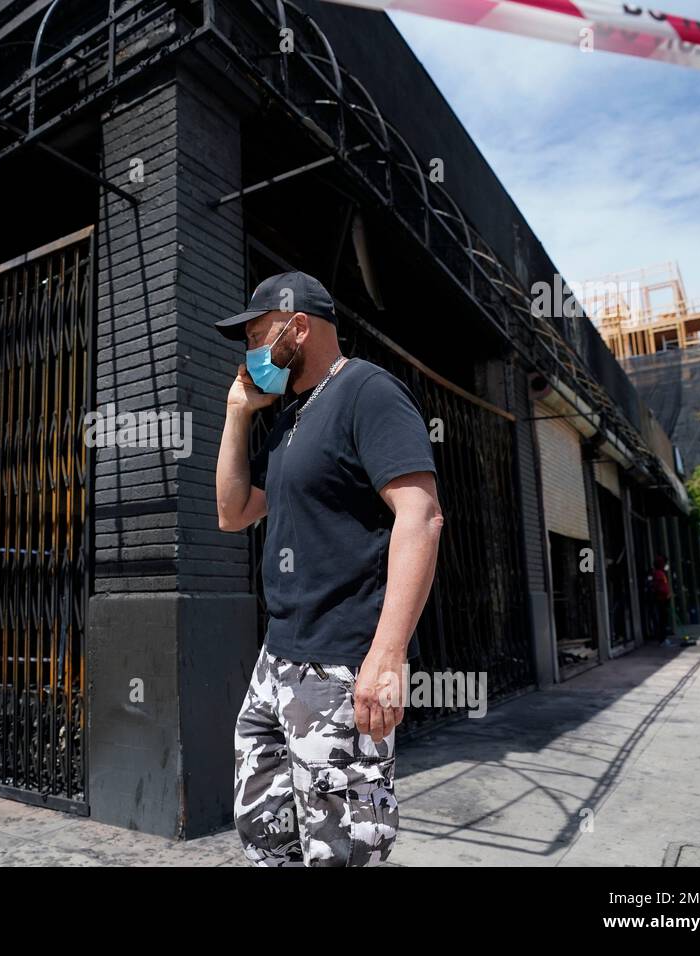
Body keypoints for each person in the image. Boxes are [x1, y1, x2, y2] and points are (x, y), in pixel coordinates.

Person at [214, 271, 443, 867]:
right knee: (265, 830)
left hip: (341, 663)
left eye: (258, 336)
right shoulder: (289, 419)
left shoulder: (368, 392)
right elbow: (233, 513)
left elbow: (420, 517)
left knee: (342, 849)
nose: (251, 354)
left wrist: (388, 655)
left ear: (298, 327)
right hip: (277, 659)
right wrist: (239, 413)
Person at [650, 555, 674, 643]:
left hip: (663, 599)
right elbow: (660, 587)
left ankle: (663, 638)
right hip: (661, 600)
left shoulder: (661, 573)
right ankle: (662, 639)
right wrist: (666, 594)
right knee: (662, 619)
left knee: (663, 619)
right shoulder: (659, 573)